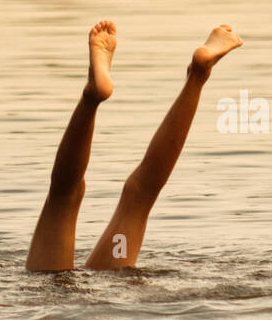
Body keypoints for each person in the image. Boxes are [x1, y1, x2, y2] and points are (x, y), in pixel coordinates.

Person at [25, 21, 243, 271]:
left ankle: (92, 95)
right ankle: (198, 76)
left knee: (66, 195)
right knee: (137, 195)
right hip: (116, 284)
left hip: (48, 296)